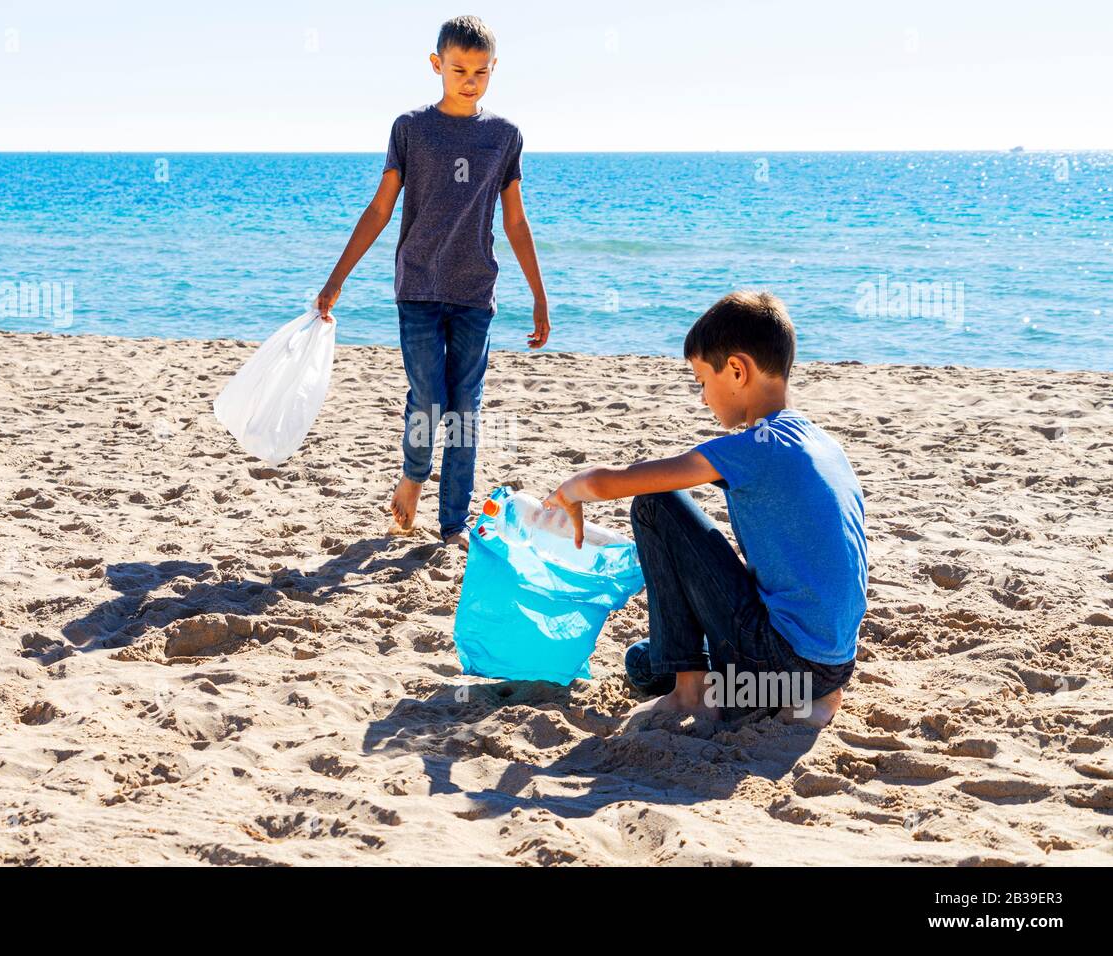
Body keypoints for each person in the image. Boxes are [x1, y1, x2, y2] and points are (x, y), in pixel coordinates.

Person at [543, 291, 867, 726]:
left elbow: (619, 482)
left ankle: (690, 697)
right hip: (829, 670)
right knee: (643, 662)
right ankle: (803, 700)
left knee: (656, 505)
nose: (702, 398)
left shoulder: (755, 447)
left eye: (701, 382)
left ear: (736, 370)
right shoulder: (823, 444)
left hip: (778, 665)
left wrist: (573, 490)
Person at [316, 14, 550, 549]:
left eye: (481, 71)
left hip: (474, 294)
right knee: (428, 400)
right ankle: (414, 477)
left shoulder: (504, 137)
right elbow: (379, 209)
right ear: (436, 65)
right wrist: (337, 281)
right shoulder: (410, 129)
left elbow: (514, 220)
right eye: (459, 68)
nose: (470, 80)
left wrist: (539, 295)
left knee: (465, 407)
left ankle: (453, 523)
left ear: (494, 70)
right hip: (418, 287)